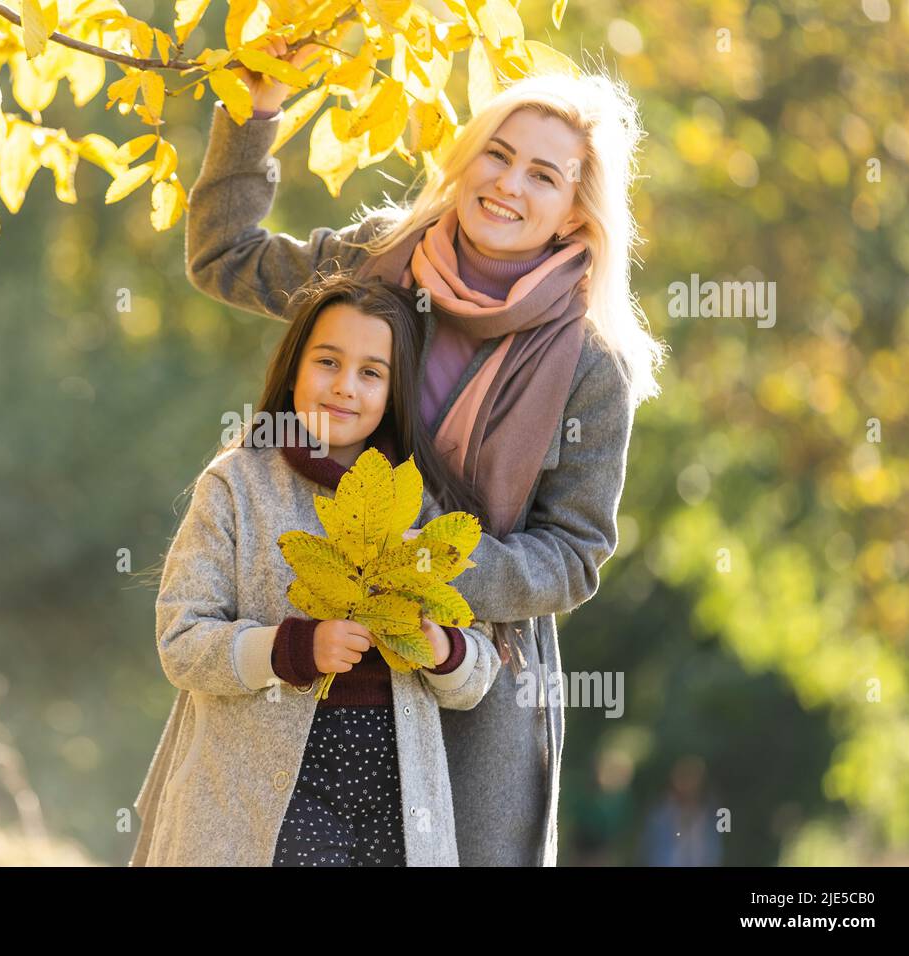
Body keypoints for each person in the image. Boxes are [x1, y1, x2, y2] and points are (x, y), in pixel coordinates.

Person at [184, 38, 667, 865]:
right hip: (309, 631)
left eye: (543, 176)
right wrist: (251, 113)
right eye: (498, 155)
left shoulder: (593, 364)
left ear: (577, 213)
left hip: (468, 670)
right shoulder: (384, 255)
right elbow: (224, 258)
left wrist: (435, 573)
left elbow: (574, 555)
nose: (508, 185)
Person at [131, 275, 499, 866]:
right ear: (295, 366)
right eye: (328, 361)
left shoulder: (421, 502)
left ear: (394, 391)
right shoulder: (238, 484)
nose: (345, 387)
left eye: (371, 373)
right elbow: (181, 641)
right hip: (263, 798)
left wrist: (442, 650)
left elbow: (480, 670)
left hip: (397, 805)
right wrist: (294, 648)